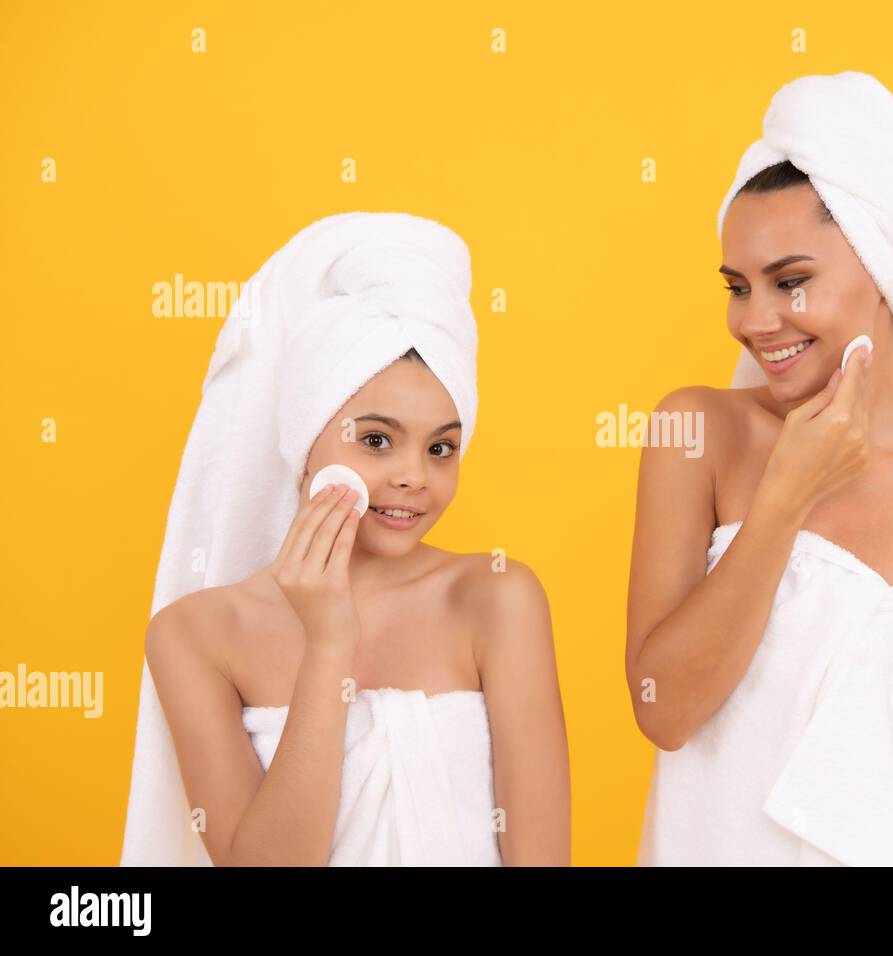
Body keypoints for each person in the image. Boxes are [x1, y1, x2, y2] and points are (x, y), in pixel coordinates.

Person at [628, 73, 893, 866]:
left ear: (881, 269)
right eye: (738, 288)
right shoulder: (697, 433)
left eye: (791, 282)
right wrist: (788, 493)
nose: (755, 322)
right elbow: (665, 709)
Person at [121, 212, 569, 866]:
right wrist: (330, 643)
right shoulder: (195, 634)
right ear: (303, 439)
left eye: (442, 447)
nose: (414, 476)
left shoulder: (498, 599)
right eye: (377, 440)